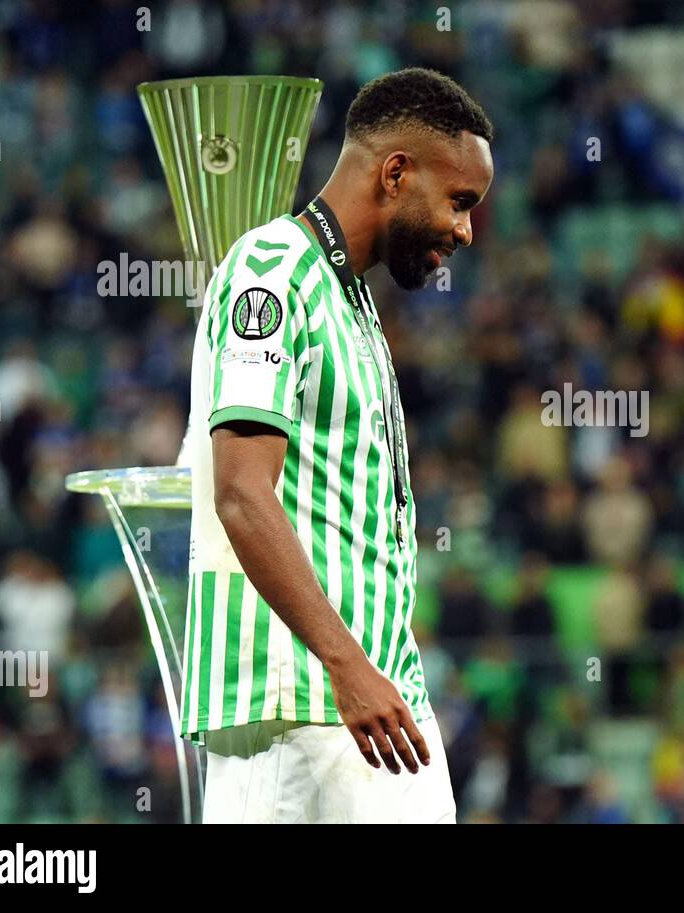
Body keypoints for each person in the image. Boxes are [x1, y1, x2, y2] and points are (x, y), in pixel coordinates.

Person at [184, 67, 494, 823]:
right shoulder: (271, 270)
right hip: (295, 708)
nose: (465, 229)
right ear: (395, 173)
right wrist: (346, 665)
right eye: (459, 201)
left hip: (374, 703)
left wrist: (371, 672)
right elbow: (240, 492)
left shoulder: (348, 296)